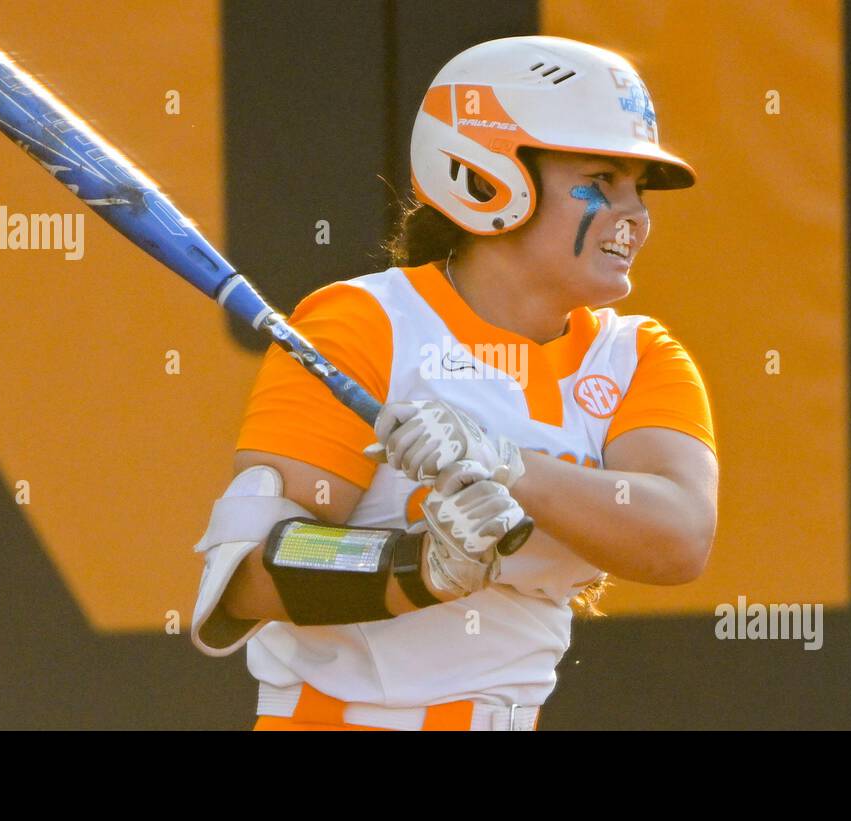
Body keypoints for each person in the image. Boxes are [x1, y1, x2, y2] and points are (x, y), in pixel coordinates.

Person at [189, 35, 718, 731]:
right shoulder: (366, 322)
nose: (635, 216)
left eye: (638, 189)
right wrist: (420, 567)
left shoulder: (635, 356)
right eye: (599, 181)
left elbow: (680, 535)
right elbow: (251, 571)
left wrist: (505, 462)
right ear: (486, 176)